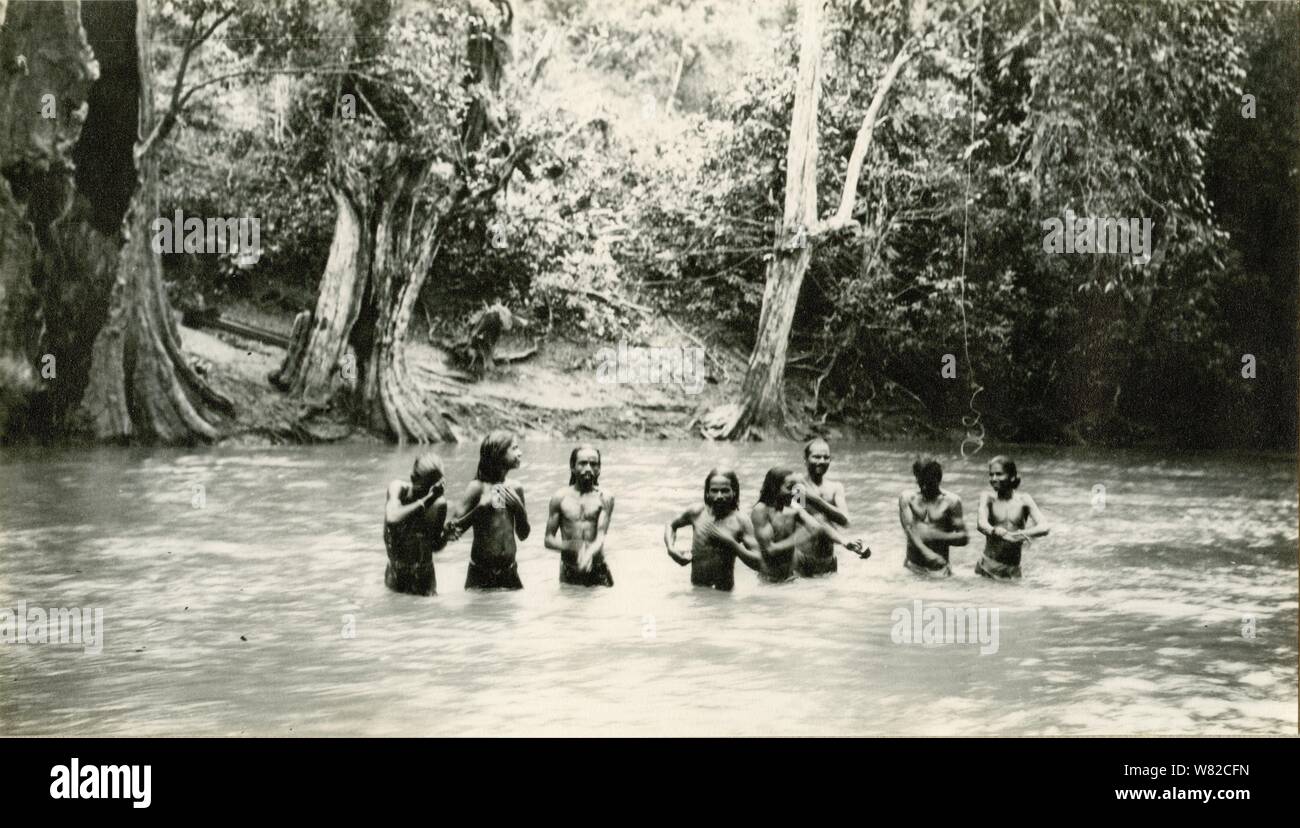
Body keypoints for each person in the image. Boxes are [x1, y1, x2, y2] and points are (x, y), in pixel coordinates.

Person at [752, 467, 869, 582]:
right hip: (771, 578)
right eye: (789, 488)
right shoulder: (760, 510)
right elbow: (770, 549)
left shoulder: (793, 506)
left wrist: (845, 542)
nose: (795, 492)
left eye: (797, 488)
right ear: (774, 488)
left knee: (819, 518)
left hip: (791, 574)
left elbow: (818, 525)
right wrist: (799, 537)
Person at [447, 431, 530, 590]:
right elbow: (452, 531)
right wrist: (479, 510)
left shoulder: (516, 488)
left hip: (509, 571)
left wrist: (519, 508)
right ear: (498, 454)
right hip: (480, 573)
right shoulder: (477, 488)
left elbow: (523, 535)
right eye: (514, 448)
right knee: (480, 614)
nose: (520, 453)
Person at [663, 469, 764, 591]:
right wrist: (671, 549)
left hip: (723, 595)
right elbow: (671, 525)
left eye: (725, 491)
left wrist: (731, 543)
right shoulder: (697, 512)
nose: (719, 496)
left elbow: (760, 562)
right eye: (714, 491)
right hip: (697, 591)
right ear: (707, 493)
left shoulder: (740, 520)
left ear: (734, 492)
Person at [544, 444, 615, 587]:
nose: (588, 468)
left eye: (593, 464)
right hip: (569, 569)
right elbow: (548, 539)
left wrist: (588, 553)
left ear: (599, 469)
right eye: (583, 463)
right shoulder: (560, 497)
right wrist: (573, 546)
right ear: (572, 467)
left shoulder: (605, 497)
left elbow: (601, 535)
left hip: (597, 567)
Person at [383, 452, 449, 595]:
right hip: (396, 576)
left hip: (425, 581)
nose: (426, 493)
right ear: (412, 479)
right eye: (424, 488)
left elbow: (435, 546)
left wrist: (446, 536)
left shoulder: (439, 504)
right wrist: (428, 499)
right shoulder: (397, 489)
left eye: (431, 489)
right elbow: (393, 518)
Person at [975, 455, 1049, 580]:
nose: (993, 479)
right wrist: (994, 530)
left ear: (1012, 477)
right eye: (991, 474)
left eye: (999, 474)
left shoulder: (1024, 500)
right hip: (987, 567)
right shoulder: (987, 498)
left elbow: (1044, 527)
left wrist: (1020, 535)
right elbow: (981, 523)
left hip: (1013, 570)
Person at [898, 456, 968, 577]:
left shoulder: (952, 501)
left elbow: (963, 538)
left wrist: (936, 535)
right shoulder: (907, 498)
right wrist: (927, 552)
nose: (924, 487)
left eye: (928, 482)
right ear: (916, 477)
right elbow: (909, 529)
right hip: (911, 568)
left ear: (938, 479)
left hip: (939, 571)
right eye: (920, 482)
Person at [792, 438, 851, 577]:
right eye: (816, 457)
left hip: (828, 561)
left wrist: (814, 498)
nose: (822, 461)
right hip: (802, 559)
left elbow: (846, 521)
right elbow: (799, 516)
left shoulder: (836, 487)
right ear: (805, 459)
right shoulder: (797, 484)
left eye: (826, 457)